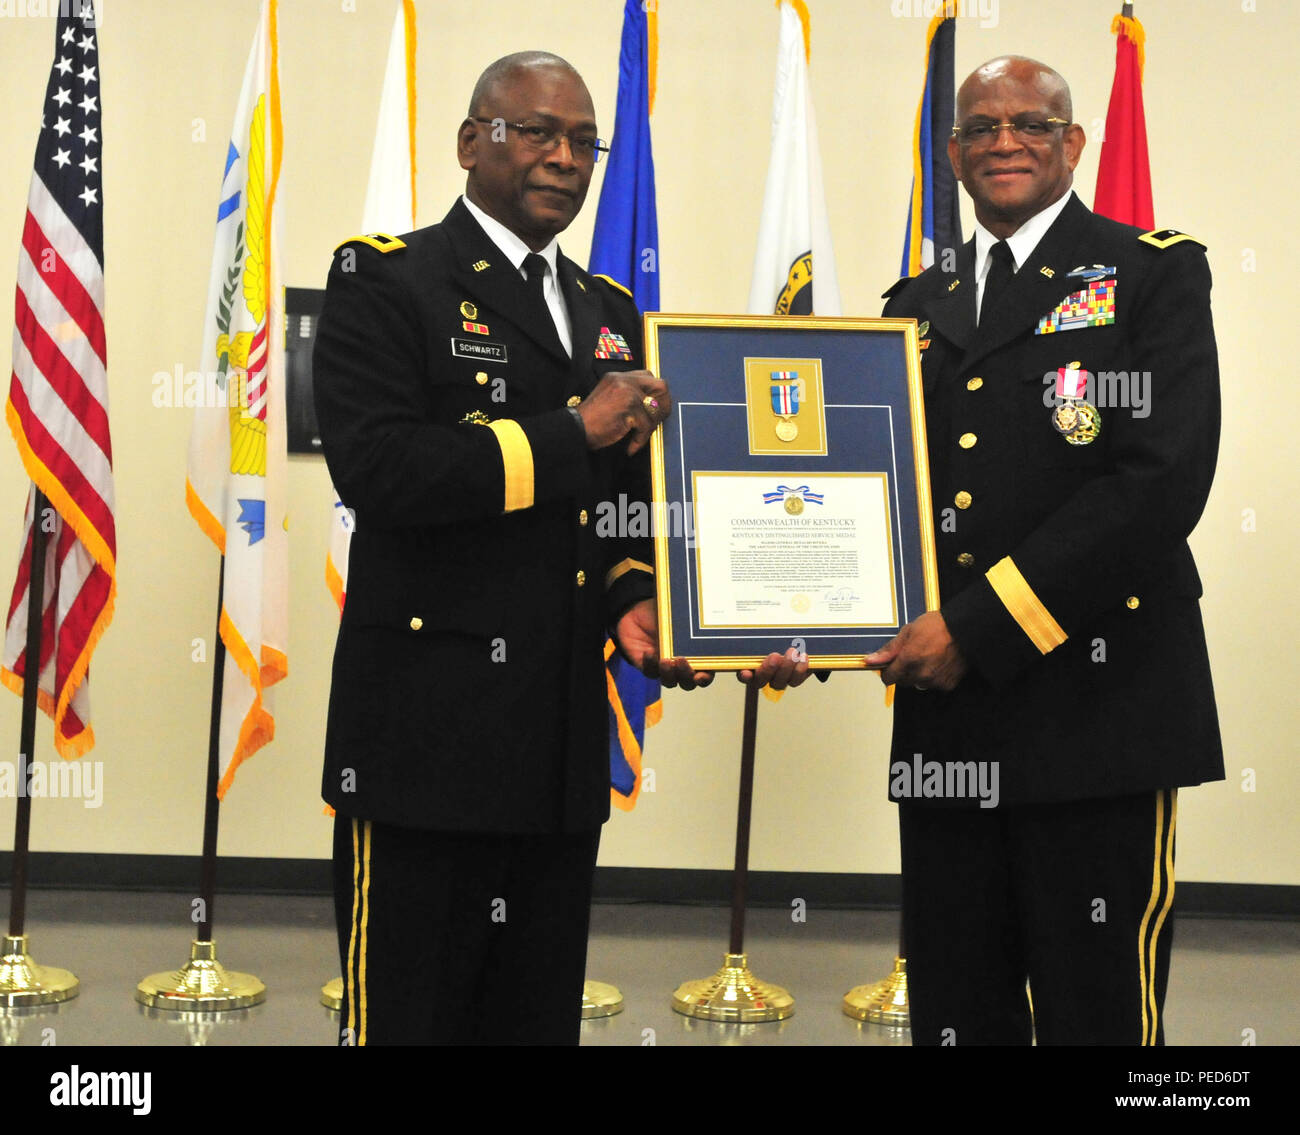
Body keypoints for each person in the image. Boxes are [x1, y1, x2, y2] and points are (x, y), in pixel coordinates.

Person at [313, 51, 802, 1046]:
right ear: (471, 140)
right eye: (535, 131)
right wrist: (569, 432)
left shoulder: (608, 312)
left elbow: (619, 510)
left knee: (532, 1022)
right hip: (422, 746)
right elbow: (379, 470)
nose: (564, 157)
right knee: (409, 1021)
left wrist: (644, 603)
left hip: (554, 748)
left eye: (583, 140)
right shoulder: (385, 278)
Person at [867, 56, 1222, 1045]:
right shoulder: (912, 304)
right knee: (955, 1001)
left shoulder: (1148, 272)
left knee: (1095, 1006)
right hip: (949, 726)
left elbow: (1158, 485)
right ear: (953, 154)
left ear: (1073, 144)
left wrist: (972, 628)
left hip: (1098, 708)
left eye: (1030, 123)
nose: (1004, 141)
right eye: (980, 126)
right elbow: (883, 493)